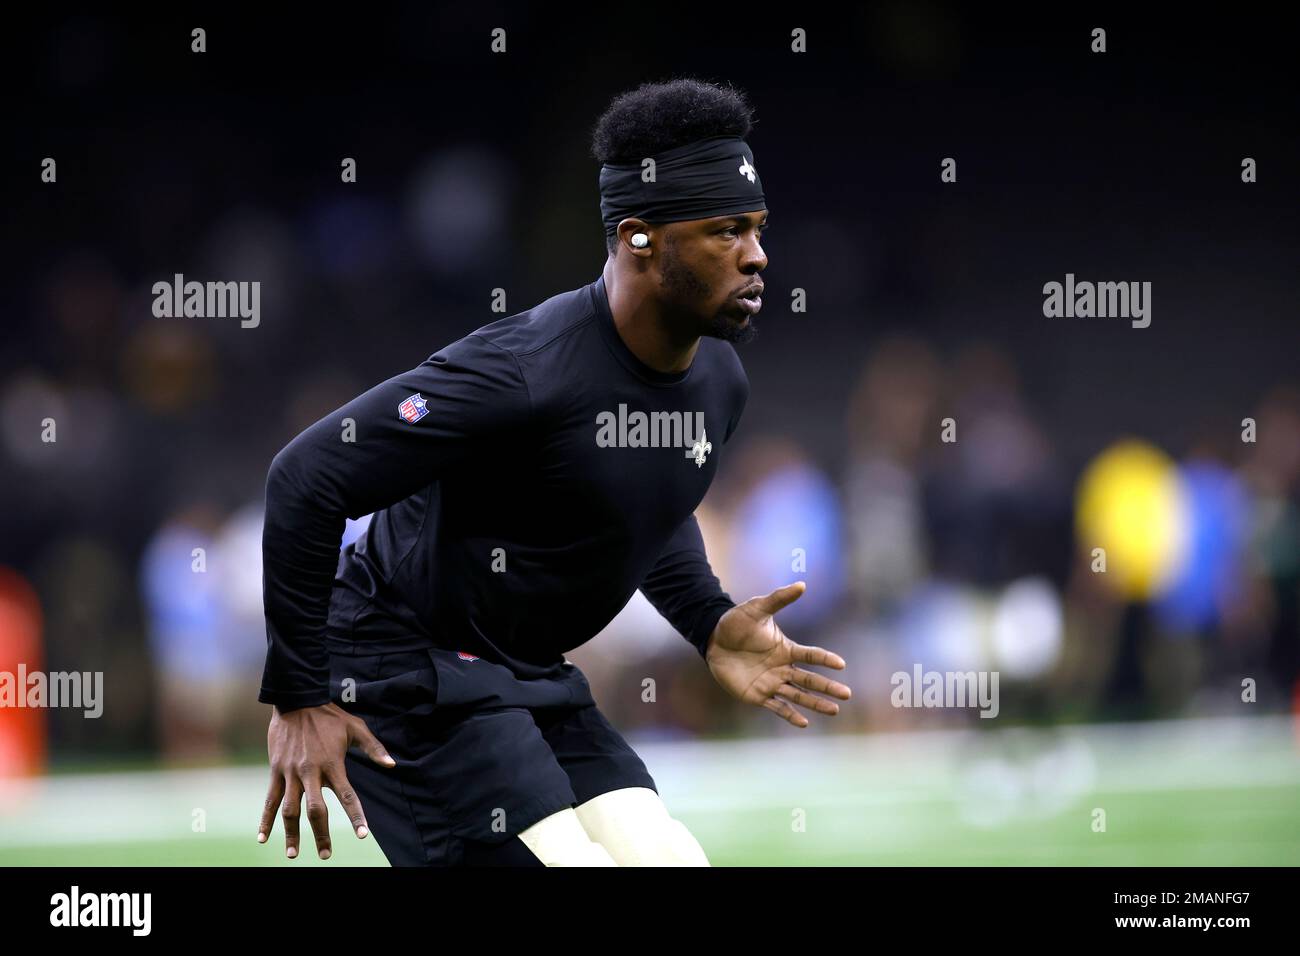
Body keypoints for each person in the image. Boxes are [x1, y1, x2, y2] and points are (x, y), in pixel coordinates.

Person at [255, 77, 852, 866]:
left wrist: (707, 619)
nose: (757, 255)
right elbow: (305, 476)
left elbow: (643, 499)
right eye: (726, 231)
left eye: (757, 229)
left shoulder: (717, 379)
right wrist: (300, 694)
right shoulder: (524, 372)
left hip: (526, 674)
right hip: (406, 669)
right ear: (640, 238)